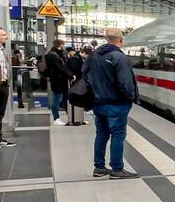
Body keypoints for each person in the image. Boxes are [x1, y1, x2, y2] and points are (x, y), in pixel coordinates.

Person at [84, 29, 139, 179]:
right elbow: (126, 83)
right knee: (118, 134)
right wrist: (130, 98)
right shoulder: (119, 57)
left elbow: (85, 76)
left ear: (106, 39)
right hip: (116, 103)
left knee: (101, 134)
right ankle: (117, 169)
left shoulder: (93, 56)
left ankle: (99, 168)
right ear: (121, 40)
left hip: (98, 102)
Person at [43, 38, 71, 126]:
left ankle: (70, 116)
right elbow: (59, 67)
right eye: (63, 44)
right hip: (57, 80)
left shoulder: (59, 54)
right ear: (60, 45)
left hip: (61, 79)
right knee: (57, 98)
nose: (64, 46)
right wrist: (70, 75)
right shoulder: (53, 55)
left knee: (62, 98)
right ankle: (56, 118)